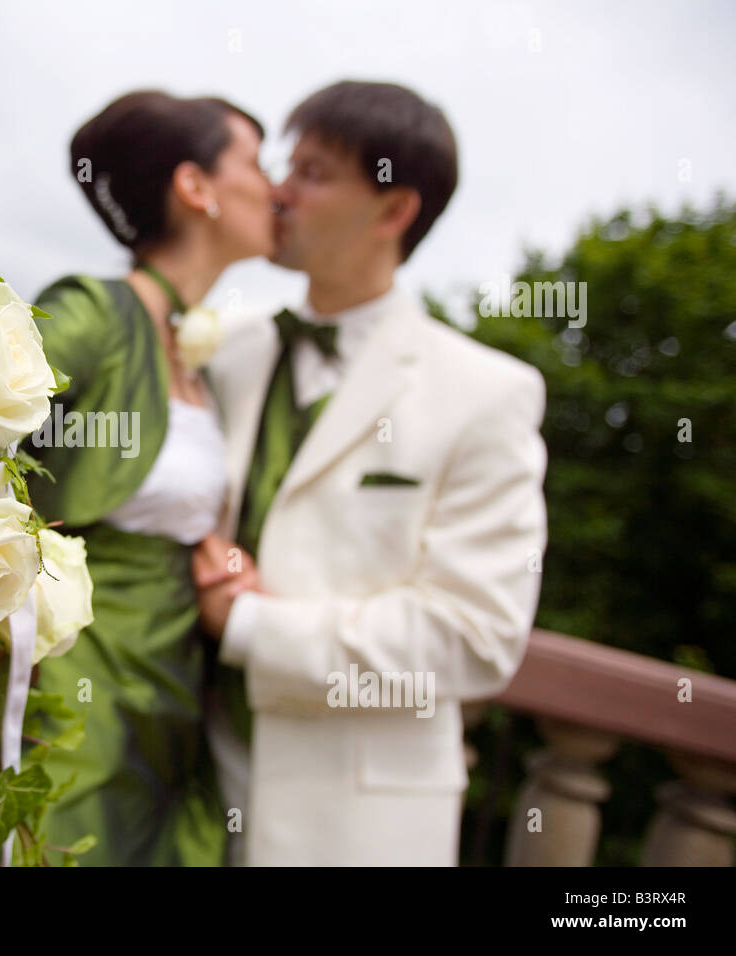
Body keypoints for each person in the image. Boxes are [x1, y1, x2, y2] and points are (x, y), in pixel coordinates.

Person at [195, 81, 548, 866]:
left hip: (356, 831)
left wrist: (251, 624)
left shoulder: (487, 393)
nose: (280, 191)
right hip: (183, 797)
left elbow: (476, 637)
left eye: (314, 173)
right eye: (286, 167)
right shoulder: (226, 350)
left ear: (394, 210)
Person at [24, 89, 276, 865]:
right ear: (196, 187)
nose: (275, 188)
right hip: (78, 680)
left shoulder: (210, 353)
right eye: (255, 164)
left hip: (176, 697)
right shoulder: (96, 313)